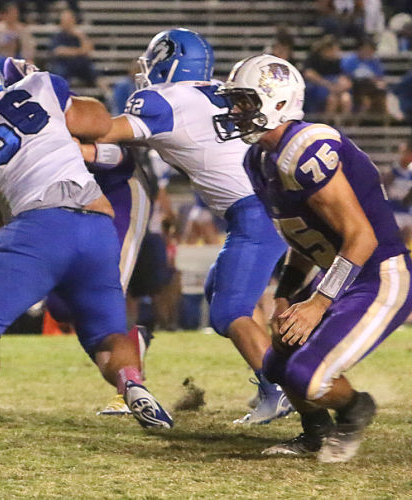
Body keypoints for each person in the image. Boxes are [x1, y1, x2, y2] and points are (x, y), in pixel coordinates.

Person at [0, 55, 173, 433]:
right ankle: (132, 384)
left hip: (43, 224)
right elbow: (100, 121)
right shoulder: (37, 88)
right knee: (104, 333)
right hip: (99, 223)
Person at [213, 54, 412, 463]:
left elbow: (362, 237)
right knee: (276, 364)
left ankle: (356, 408)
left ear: (279, 103)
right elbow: (302, 237)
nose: (235, 111)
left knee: (307, 374)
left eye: (245, 101)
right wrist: (287, 295)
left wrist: (318, 302)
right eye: (234, 102)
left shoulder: (304, 149)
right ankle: (315, 434)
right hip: (343, 275)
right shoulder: (261, 159)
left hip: (379, 275)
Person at [94, 29, 292, 425]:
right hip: (272, 206)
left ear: (168, 60)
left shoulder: (164, 99)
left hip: (254, 213)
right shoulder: (221, 90)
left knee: (228, 310)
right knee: (219, 289)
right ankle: (281, 374)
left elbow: (103, 132)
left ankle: (280, 390)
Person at [2, 57, 154, 416]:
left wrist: (74, 150)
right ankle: (134, 344)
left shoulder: (71, 115)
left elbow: (119, 157)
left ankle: (131, 387)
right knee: (62, 307)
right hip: (79, 203)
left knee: (105, 292)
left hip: (120, 193)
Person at [47, 9, 99, 88]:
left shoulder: (78, 35)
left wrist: (81, 36)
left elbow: (88, 50)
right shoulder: (58, 35)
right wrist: (80, 51)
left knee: (95, 72)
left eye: (69, 20)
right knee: (59, 73)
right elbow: (59, 51)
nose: (68, 23)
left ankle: (108, 96)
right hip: (63, 64)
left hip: (79, 64)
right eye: (65, 20)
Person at [0, 3, 34, 69]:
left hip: (18, 58)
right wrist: (2, 46)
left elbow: (28, 47)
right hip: (0, 58)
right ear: (5, 14)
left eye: (15, 13)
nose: (14, 16)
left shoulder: (22, 29)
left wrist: (28, 59)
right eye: (11, 13)